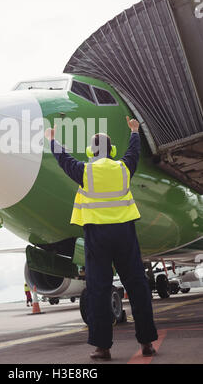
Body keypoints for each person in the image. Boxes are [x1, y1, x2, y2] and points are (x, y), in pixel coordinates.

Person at [45, 116, 158, 360]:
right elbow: (134, 152)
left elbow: (64, 160)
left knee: (99, 289)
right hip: (125, 233)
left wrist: (53, 140)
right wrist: (135, 132)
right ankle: (147, 342)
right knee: (137, 286)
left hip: (97, 235)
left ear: (89, 151)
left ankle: (103, 347)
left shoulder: (85, 171)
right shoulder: (123, 168)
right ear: (112, 151)